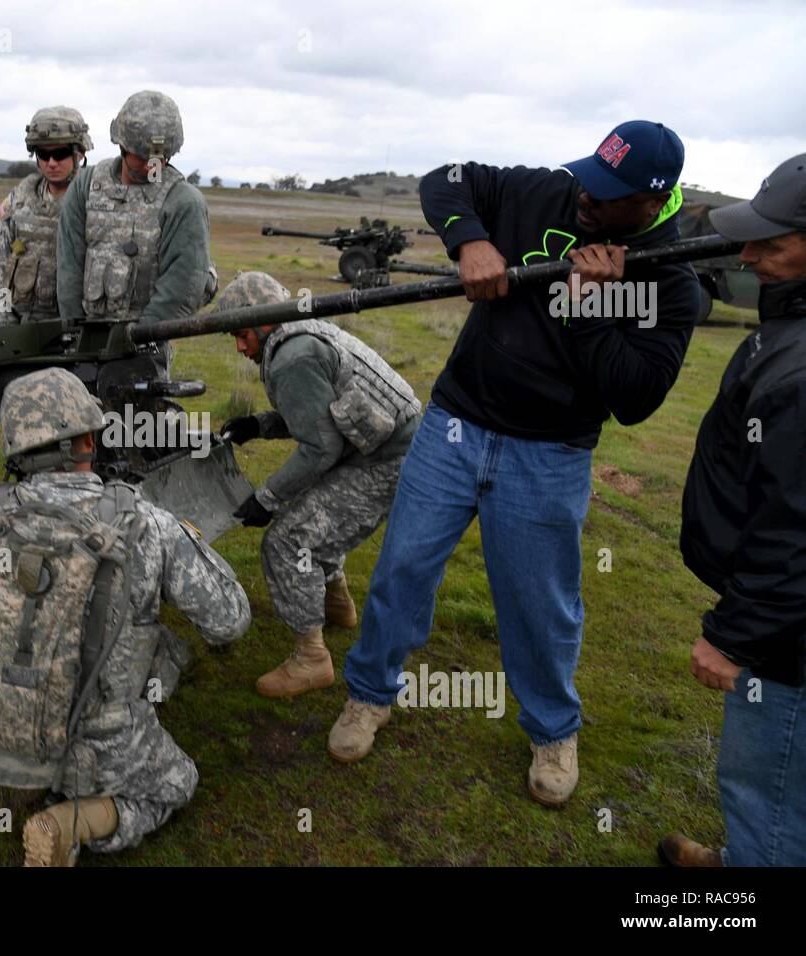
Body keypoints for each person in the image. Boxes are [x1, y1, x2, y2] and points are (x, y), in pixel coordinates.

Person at [330, 121, 702, 809]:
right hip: (455, 424)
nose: (586, 197)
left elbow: (636, 399)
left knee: (539, 605)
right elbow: (445, 179)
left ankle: (554, 731)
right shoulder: (548, 191)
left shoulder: (672, 283)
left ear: (651, 205)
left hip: (552, 453)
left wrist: (591, 310)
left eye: (608, 193)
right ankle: (368, 694)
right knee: (402, 566)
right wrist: (470, 240)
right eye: (589, 176)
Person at [0, 368, 250, 866]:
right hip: (98, 738)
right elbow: (229, 619)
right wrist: (183, 542)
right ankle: (70, 823)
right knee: (176, 784)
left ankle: (42, 780)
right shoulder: (147, 524)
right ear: (89, 438)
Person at [659, 153, 806, 867]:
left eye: (771, 243)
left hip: (788, 641)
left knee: (767, 774)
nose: (747, 256)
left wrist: (735, 637)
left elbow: (795, 530)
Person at [217, 272, 421, 698]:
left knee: (289, 541)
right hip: (384, 450)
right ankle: (337, 604)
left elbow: (319, 449)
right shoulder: (304, 331)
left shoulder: (293, 356)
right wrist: (259, 425)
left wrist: (266, 499)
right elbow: (322, 414)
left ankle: (311, 659)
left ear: (263, 323)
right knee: (315, 517)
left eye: (241, 334)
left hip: (386, 461)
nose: (239, 347)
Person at [55, 90, 217, 373]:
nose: (152, 165)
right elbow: (69, 268)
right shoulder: (86, 187)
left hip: (144, 351)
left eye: (160, 157)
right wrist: (77, 340)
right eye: (143, 156)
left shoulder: (183, 202)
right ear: (122, 144)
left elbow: (180, 289)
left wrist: (136, 343)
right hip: (84, 345)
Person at [0, 106, 92, 325]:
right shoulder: (18, 203)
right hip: (27, 329)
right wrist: (3, 324)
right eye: (44, 154)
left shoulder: (96, 203)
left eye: (60, 153)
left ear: (79, 153)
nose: (51, 162)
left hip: (82, 330)